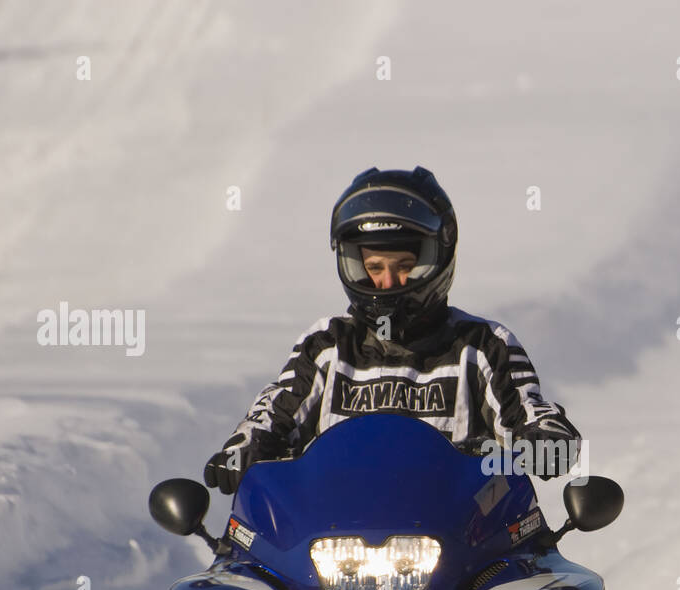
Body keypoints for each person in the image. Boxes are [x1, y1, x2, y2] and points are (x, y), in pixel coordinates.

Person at [204, 166, 580, 494]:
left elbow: (531, 411)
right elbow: (271, 415)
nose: (387, 282)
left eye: (404, 265)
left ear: (438, 257)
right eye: (374, 266)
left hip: (461, 543)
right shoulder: (326, 346)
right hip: (335, 540)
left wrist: (547, 442)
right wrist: (241, 453)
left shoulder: (482, 346)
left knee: (550, 578)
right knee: (235, 575)